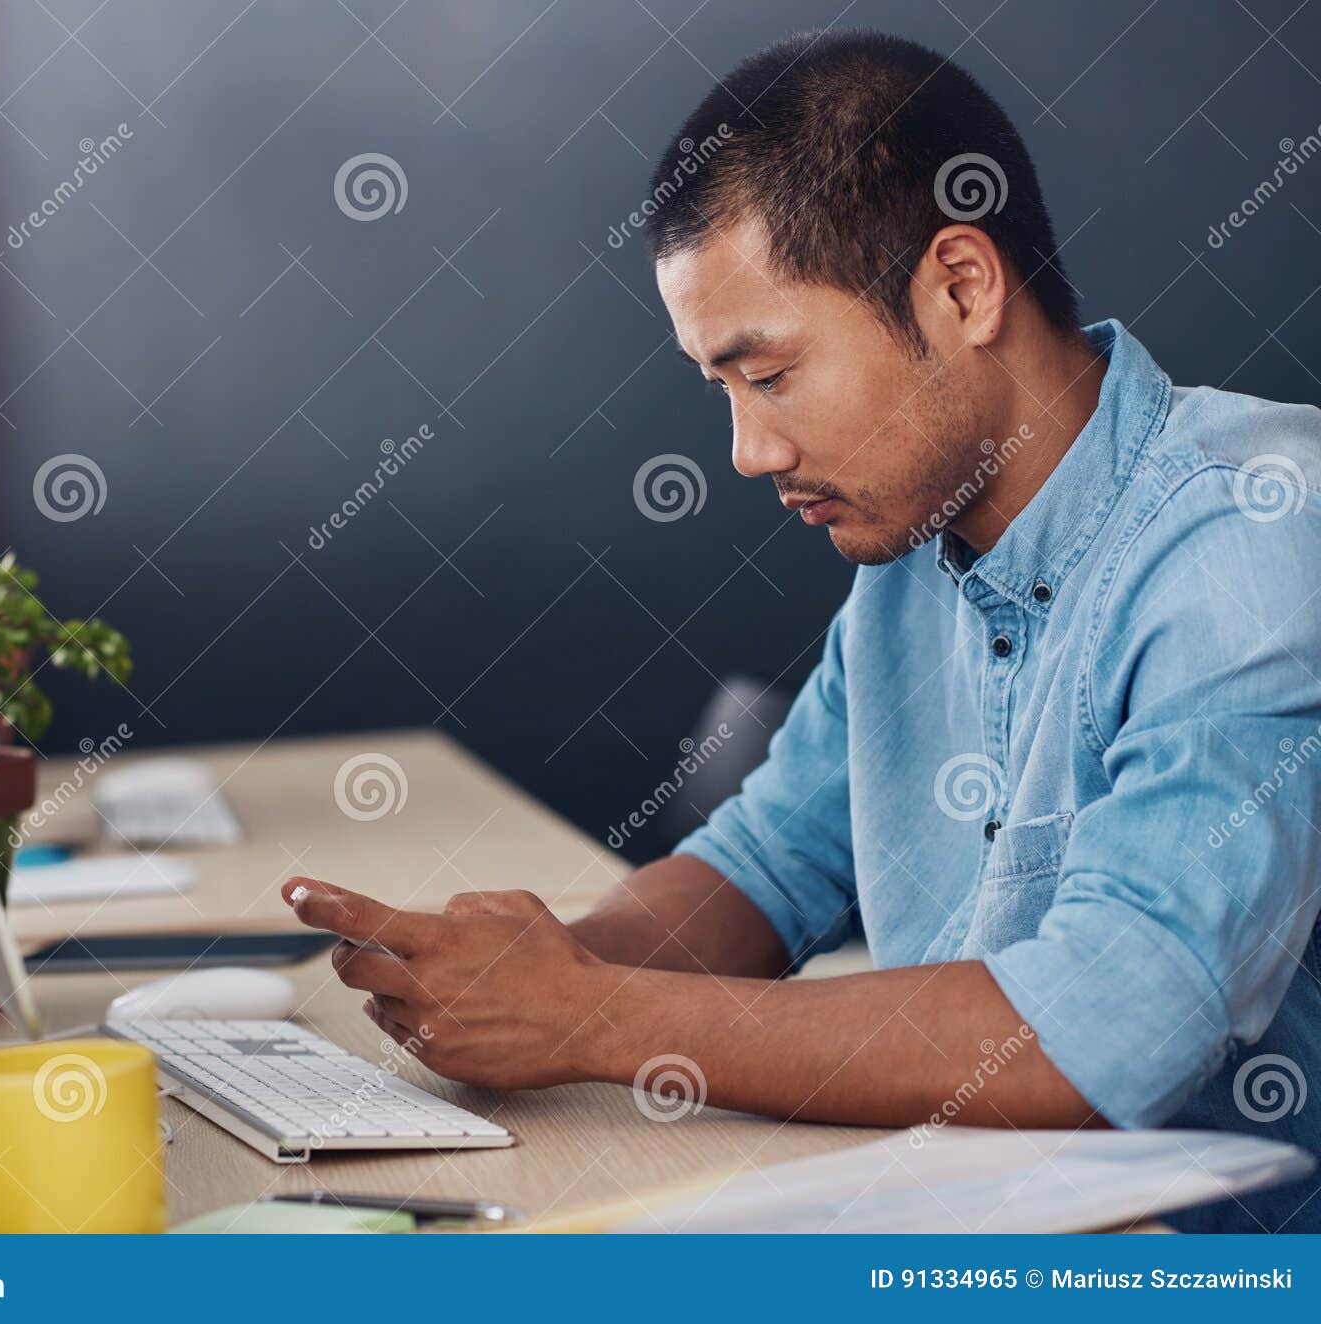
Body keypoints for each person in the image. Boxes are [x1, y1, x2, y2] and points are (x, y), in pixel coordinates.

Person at [283, 30, 1321, 1233]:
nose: (747, 452)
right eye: (718, 390)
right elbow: (767, 872)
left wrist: (592, 1016)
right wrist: (542, 972)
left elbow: (1106, 1033)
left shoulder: (1251, 530)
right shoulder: (913, 549)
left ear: (962, 286)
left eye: (767, 374)